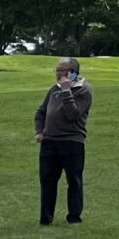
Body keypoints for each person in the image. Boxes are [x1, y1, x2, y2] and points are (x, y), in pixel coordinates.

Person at [36, 57, 92, 227]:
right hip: (49, 142)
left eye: (62, 70)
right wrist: (39, 131)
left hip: (72, 142)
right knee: (47, 181)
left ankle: (74, 217)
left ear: (73, 72)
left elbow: (73, 115)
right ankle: (46, 218)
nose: (58, 74)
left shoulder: (84, 90)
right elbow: (41, 112)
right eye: (57, 70)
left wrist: (67, 92)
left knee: (73, 180)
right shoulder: (54, 89)